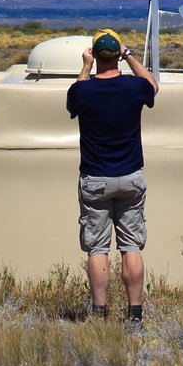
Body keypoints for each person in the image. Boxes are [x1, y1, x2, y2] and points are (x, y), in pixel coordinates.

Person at [67, 29, 158, 322]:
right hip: (130, 177)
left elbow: (74, 100)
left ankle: (99, 314)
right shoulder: (134, 88)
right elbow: (152, 85)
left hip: (95, 180)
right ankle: (135, 315)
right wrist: (129, 55)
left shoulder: (83, 91)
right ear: (117, 54)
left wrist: (85, 66)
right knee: (130, 246)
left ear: (95, 55)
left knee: (97, 247)